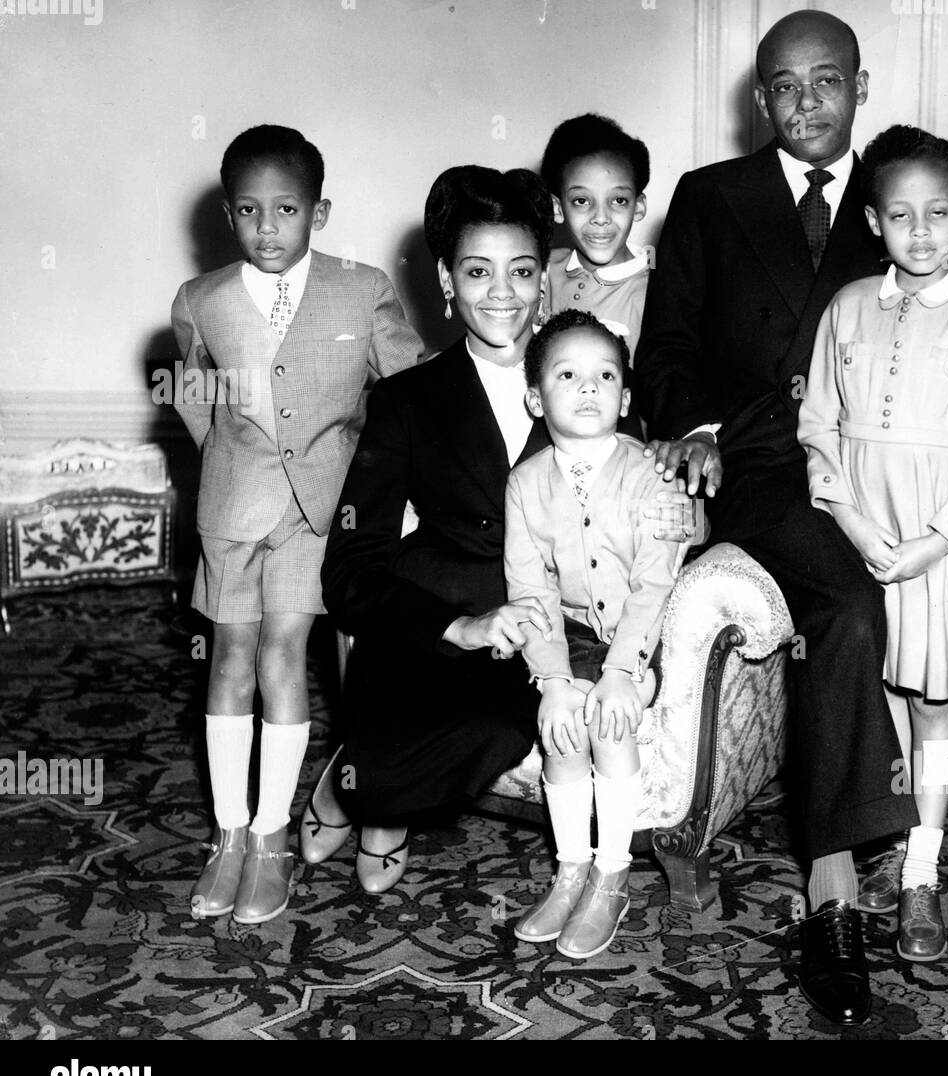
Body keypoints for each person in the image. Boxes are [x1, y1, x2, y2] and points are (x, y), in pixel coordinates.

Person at [636, 11, 948, 1026]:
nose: (804, 103)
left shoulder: (900, 191)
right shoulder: (709, 198)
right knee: (848, 608)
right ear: (760, 98)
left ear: (859, 87)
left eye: (825, 81)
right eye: (782, 87)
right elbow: (667, 348)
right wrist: (695, 426)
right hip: (776, 468)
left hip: (907, 475)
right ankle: (830, 888)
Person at [302, 168, 691, 896]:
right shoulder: (407, 399)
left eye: (521, 271)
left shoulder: (591, 374)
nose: (503, 293)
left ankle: (375, 794)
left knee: (508, 724)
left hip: (540, 632)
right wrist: (458, 627)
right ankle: (347, 784)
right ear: (447, 281)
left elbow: (644, 502)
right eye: (478, 272)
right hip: (439, 614)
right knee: (379, 757)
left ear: (546, 278)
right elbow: (351, 568)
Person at [172, 124, 423, 925]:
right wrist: (227, 459)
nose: (266, 227)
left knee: (284, 653)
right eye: (248, 211)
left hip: (321, 510)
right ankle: (229, 835)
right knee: (229, 658)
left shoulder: (362, 288)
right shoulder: (200, 300)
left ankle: (273, 835)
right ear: (227, 213)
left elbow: (408, 391)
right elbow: (191, 391)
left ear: (318, 212)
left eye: (285, 209)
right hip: (232, 509)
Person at [800, 124, 948, 962]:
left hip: (944, 545)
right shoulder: (848, 307)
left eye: (939, 212)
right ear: (872, 221)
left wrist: (932, 545)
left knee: (936, 699)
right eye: (902, 215)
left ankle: (921, 875)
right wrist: (860, 528)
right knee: (877, 690)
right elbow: (818, 428)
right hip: (862, 530)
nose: (922, 231)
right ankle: (882, 842)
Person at [505, 310, 699, 959]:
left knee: (610, 722)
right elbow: (530, 591)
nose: (589, 389)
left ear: (625, 394)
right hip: (565, 631)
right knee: (563, 726)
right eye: (568, 375)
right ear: (536, 396)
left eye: (605, 375)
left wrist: (621, 672)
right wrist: (553, 680)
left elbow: (654, 583)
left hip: (639, 629)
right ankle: (571, 870)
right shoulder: (525, 483)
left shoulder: (652, 473)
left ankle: (612, 872)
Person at [540, 114, 654, 357]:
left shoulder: (657, 291)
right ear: (558, 208)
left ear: (639, 206)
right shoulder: (541, 270)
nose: (601, 217)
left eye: (618, 200)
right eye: (581, 201)